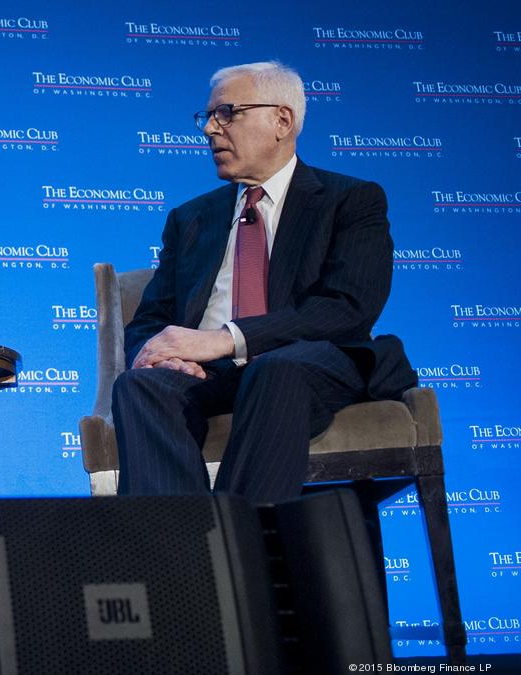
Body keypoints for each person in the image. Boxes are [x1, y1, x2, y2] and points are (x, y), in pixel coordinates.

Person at [112, 61, 416, 504]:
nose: (210, 130)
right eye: (208, 116)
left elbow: (348, 307)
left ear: (282, 120)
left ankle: (241, 551)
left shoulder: (350, 199)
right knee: (140, 387)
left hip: (311, 362)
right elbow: (152, 318)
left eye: (227, 113)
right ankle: (183, 555)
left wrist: (226, 339)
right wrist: (160, 358)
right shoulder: (191, 218)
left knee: (275, 370)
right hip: (208, 374)